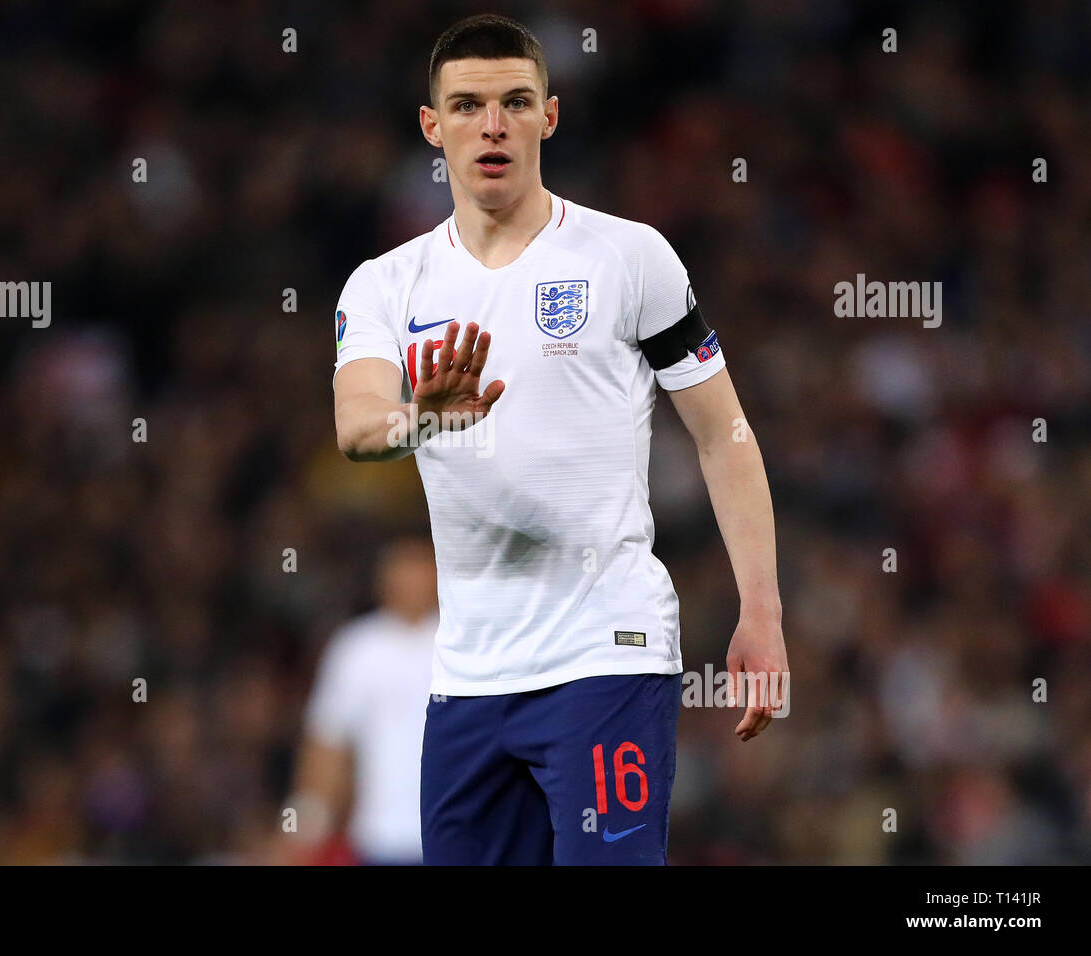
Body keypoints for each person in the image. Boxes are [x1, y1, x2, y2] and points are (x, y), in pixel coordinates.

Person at [330, 14, 788, 865]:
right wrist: (423, 417)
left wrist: (760, 609)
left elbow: (724, 436)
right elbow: (358, 427)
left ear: (549, 115)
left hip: (606, 654)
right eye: (466, 105)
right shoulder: (385, 284)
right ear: (431, 125)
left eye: (514, 102)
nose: (492, 126)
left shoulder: (630, 258)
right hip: (467, 678)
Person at [282, 537, 439, 865]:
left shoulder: (461, 642)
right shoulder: (356, 648)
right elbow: (328, 742)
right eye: (402, 569)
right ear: (382, 577)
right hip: (379, 837)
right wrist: (306, 825)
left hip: (453, 834)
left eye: (420, 567)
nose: (411, 581)